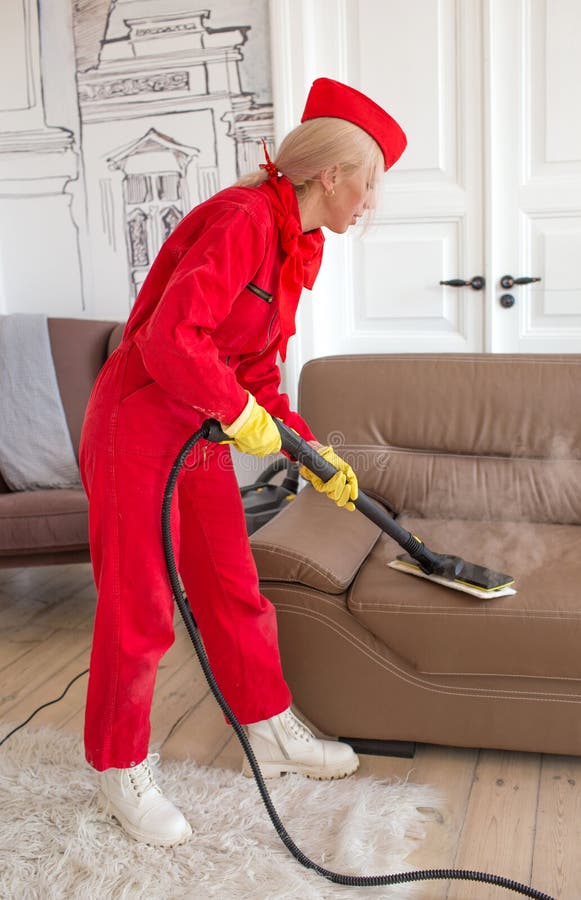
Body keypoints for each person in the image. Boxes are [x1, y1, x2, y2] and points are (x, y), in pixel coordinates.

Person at [80, 77, 407, 847]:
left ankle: (267, 727)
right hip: (139, 425)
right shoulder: (240, 220)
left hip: (196, 430)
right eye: (370, 182)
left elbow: (255, 374)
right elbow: (168, 341)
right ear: (332, 173)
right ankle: (118, 767)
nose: (369, 200)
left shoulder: (296, 244)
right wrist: (238, 415)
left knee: (231, 584)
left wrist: (309, 447)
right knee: (141, 607)